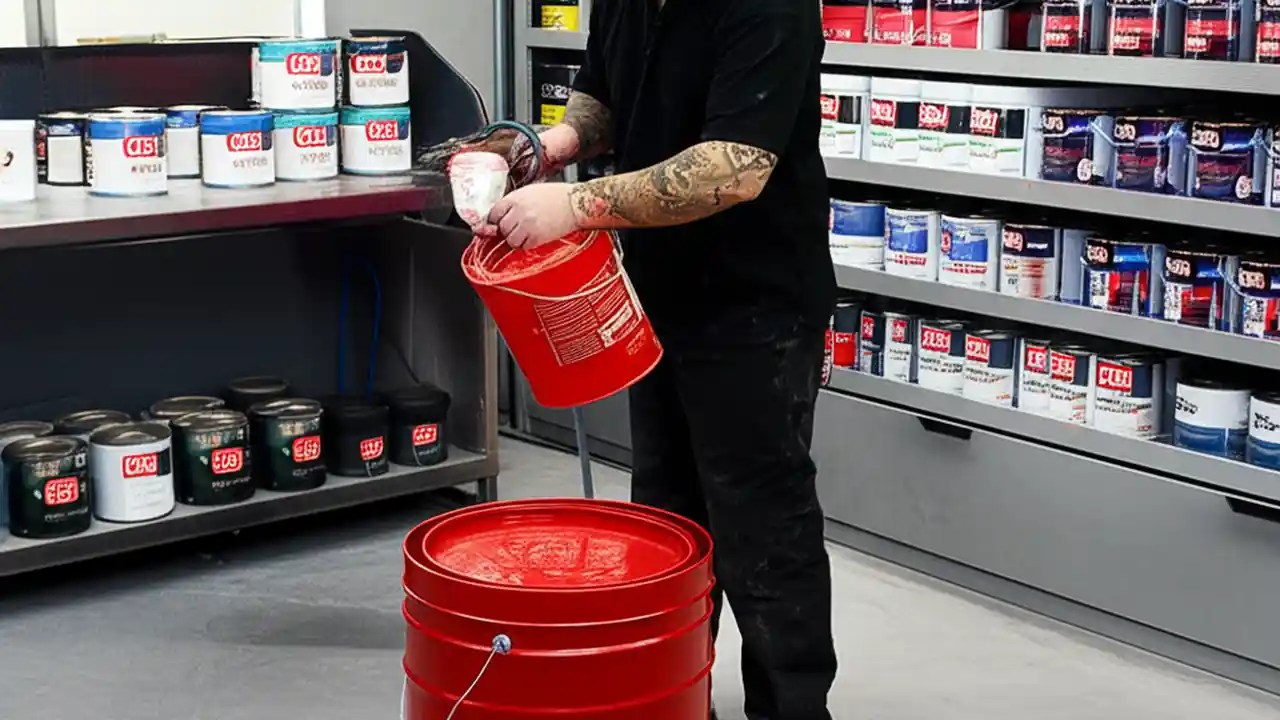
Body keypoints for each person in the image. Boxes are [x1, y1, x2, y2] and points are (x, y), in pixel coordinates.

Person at [471, 0, 837, 717]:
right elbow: (602, 97)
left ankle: (790, 708)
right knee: (665, 519)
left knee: (762, 527)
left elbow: (733, 167)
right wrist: (549, 146)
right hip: (659, 293)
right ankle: (667, 697)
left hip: (757, 304)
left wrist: (573, 207)